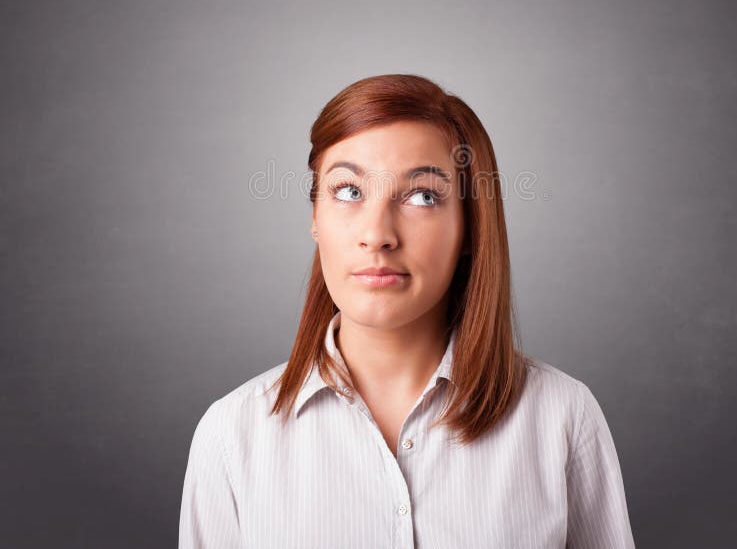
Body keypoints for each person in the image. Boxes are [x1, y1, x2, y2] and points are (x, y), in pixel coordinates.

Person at [178, 73, 636, 548]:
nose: (377, 234)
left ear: (470, 227)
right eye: (349, 191)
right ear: (315, 217)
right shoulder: (231, 435)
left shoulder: (562, 417)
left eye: (423, 196)